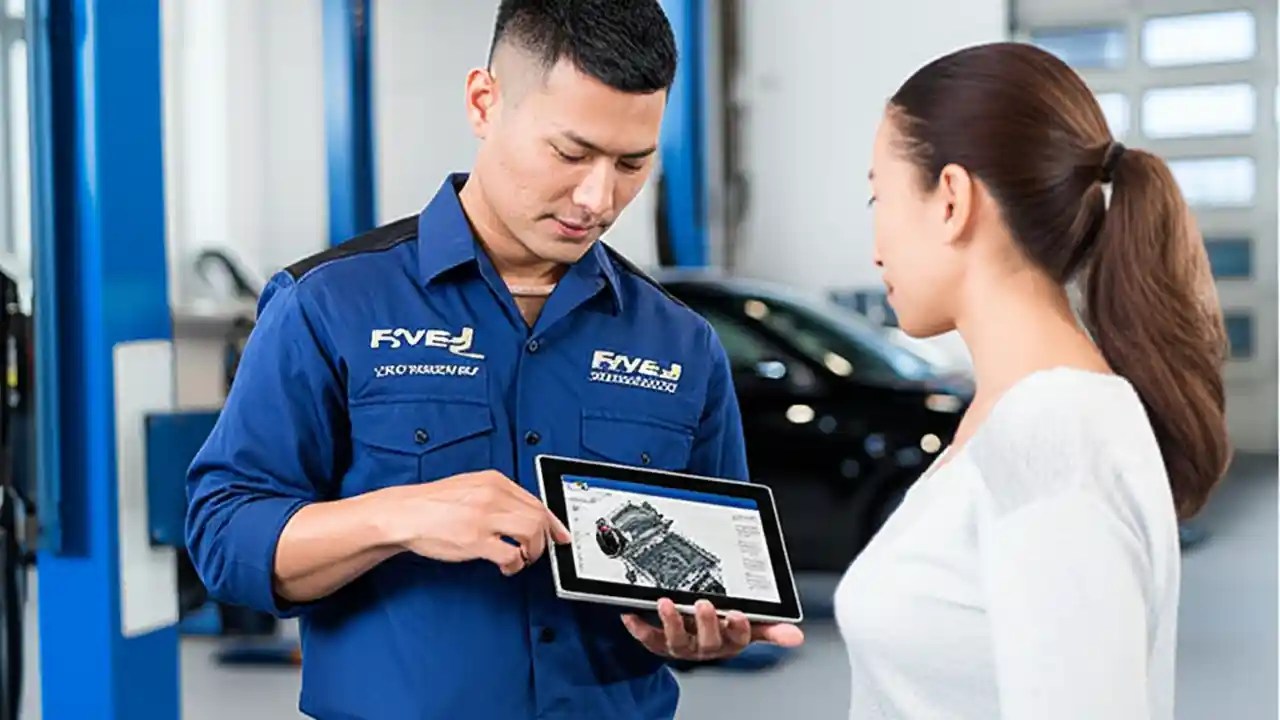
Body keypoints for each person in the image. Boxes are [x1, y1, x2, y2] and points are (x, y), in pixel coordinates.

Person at [184, 2, 802, 719]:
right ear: (484, 102)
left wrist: (698, 636)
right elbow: (224, 539)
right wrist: (399, 516)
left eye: (632, 163)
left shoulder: (681, 344)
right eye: (570, 153)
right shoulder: (329, 305)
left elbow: (719, 570)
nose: (598, 198)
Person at [838, 41, 1230, 719]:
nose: (874, 248)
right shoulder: (1016, 413)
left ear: (952, 199)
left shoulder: (1056, 431)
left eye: (879, 195)